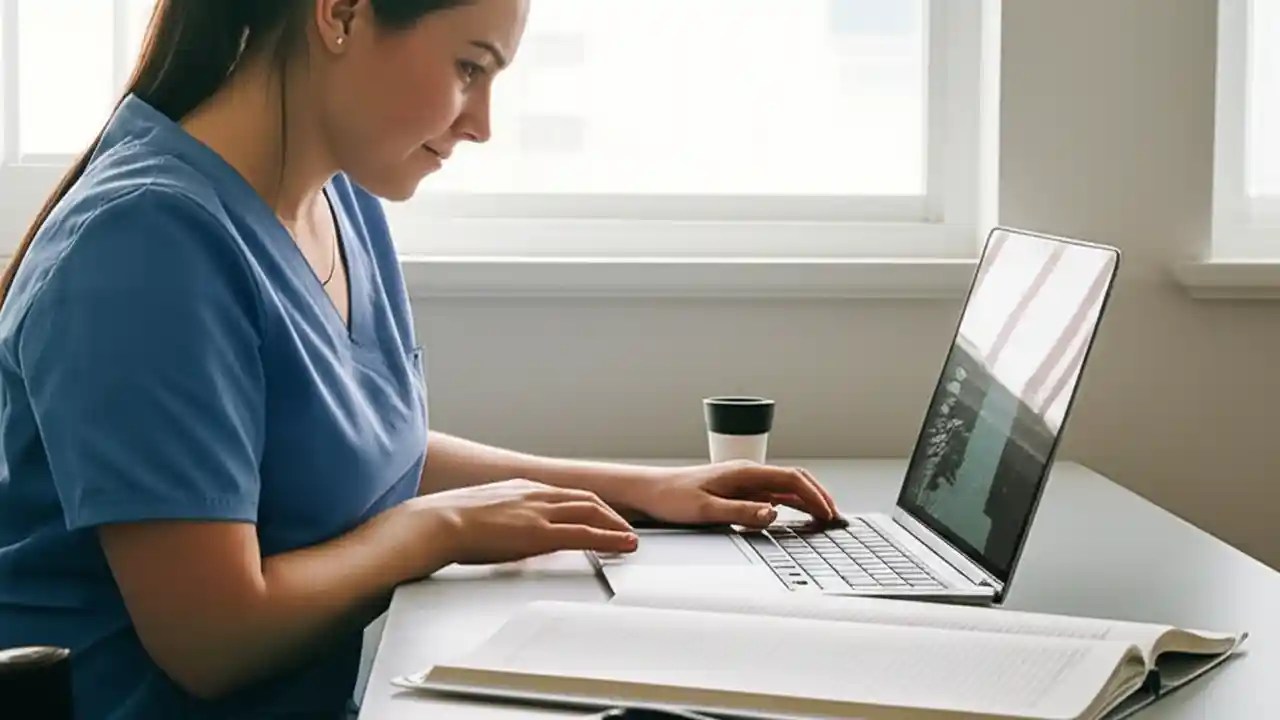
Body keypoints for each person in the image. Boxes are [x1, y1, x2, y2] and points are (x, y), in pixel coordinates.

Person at [0, 1, 840, 718]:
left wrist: (639, 487)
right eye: (470, 69)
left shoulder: (336, 194)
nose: (481, 124)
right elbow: (211, 637)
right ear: (339, 12)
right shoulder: (146, 245)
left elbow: (360, 449)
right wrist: (442, 530)